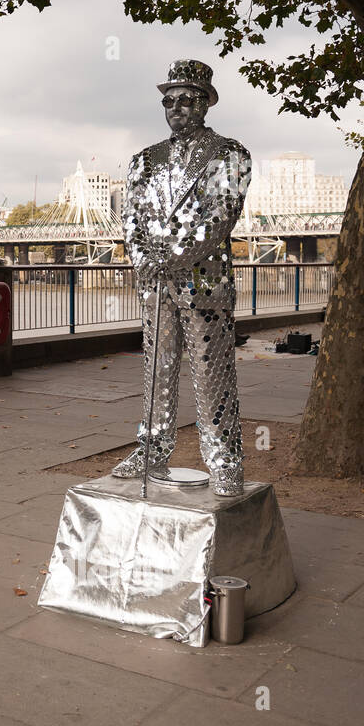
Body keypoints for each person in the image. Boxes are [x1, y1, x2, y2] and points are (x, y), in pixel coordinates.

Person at [111, 59, 251, 496]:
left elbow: (220, 218)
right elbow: (131, 217)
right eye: (168, 100)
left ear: (206, 104)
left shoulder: (231, 154)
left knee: (212, 374)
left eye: (186, 99)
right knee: (156, 370)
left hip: (203, 281)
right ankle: (152, 449)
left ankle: (224, 461)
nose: (175, 107)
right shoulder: (143, 160)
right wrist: (142, 260)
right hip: (154, 285)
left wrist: (168, 258)